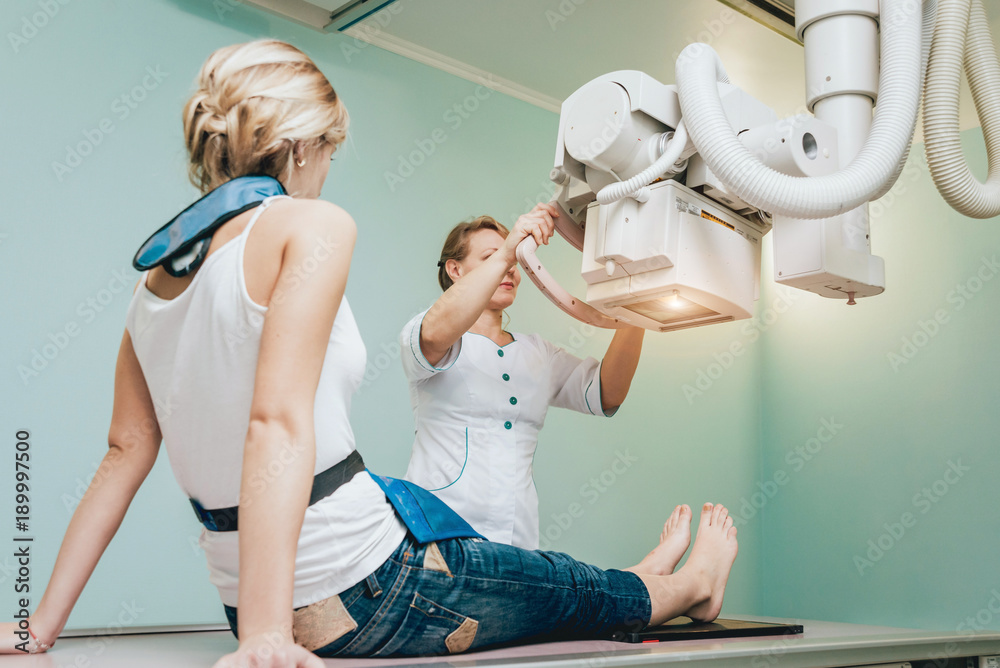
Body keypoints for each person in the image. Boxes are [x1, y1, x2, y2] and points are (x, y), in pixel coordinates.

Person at [0, 39, 739, 667]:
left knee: (562, 583)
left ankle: (644, 583)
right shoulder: (309, 225)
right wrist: (264, 637)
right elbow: (278, 424)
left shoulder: (154, 284)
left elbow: (122, 454)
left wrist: (37, 629)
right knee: (573, 589)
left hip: (264, 598)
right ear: (299, 147)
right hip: (368, 584)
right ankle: (689, 584)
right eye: (328, 151)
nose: (327, 169)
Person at [401, 209, 648, 549]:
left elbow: (608, 393)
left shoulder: (538, 353)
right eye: (492, 257)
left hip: (516, 544)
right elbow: (433, 336)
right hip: (438, 538)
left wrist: (640, 307)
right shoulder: (432, 333)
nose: (510, 269)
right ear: (455, 270)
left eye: (516, 260)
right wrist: (507, 252)